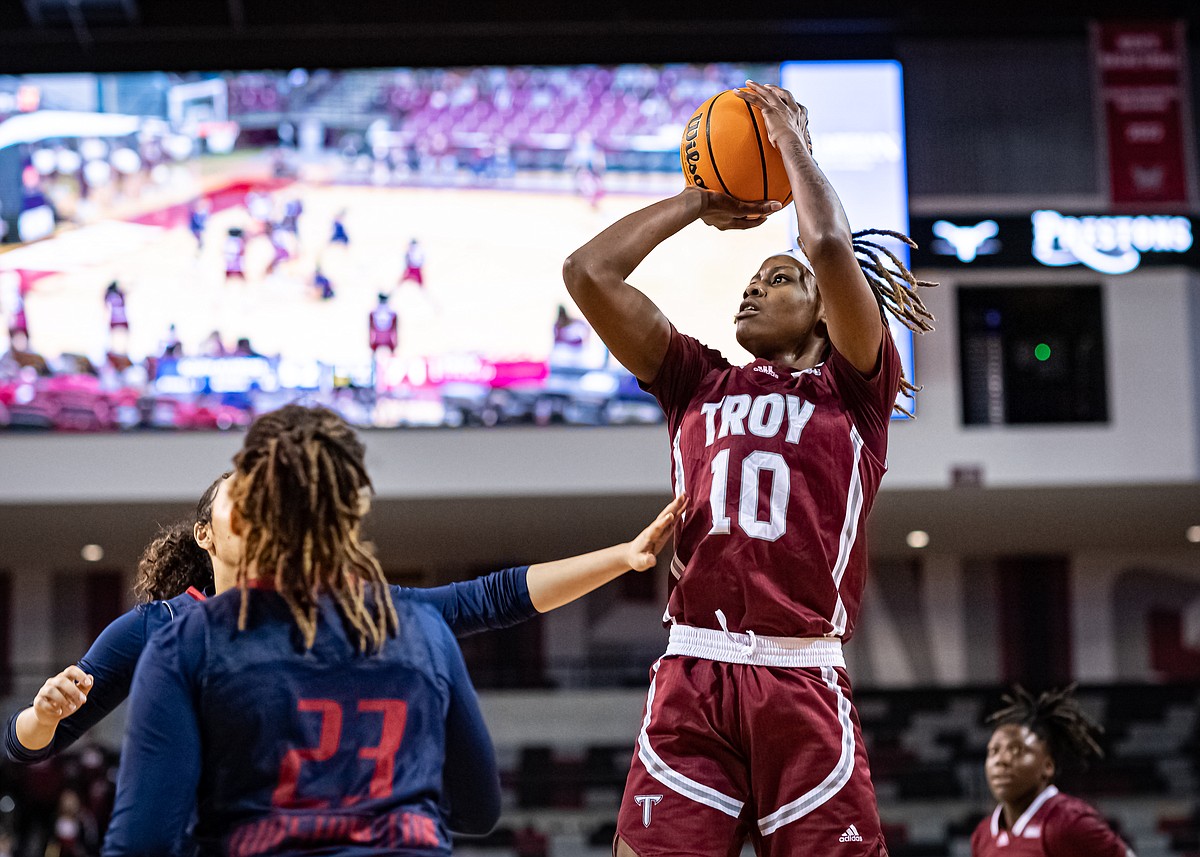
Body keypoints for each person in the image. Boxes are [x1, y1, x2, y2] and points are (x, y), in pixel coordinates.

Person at [562, 81, 934, 857]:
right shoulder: (697, 380)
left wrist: (791, 143)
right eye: (754, 276)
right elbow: (588, 273)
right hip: (695, 667)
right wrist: (702, 199)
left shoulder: (858, 393)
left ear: (829, 311)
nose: (753, 285)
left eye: (779, 278)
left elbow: (829, 247)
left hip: (803, 678)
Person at [6, 470, 684, 765]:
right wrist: (43, 710)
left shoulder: (344, 611)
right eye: (240, 498)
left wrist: (622, 558)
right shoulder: (152, 629)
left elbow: (487, 599)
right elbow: (29, 744)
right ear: (204, 534)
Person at [101, 404, 498, 855]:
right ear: (351, 510)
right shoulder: (424, 632)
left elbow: (142, 843)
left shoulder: (188, 643)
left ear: (249, 512)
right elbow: (478, 811)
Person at [972, 686, 1137, 857]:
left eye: (1016, 750)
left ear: (1048, 766)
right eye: (993, 751)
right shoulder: (983, 835)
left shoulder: (1070, 823)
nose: (1001, 760)